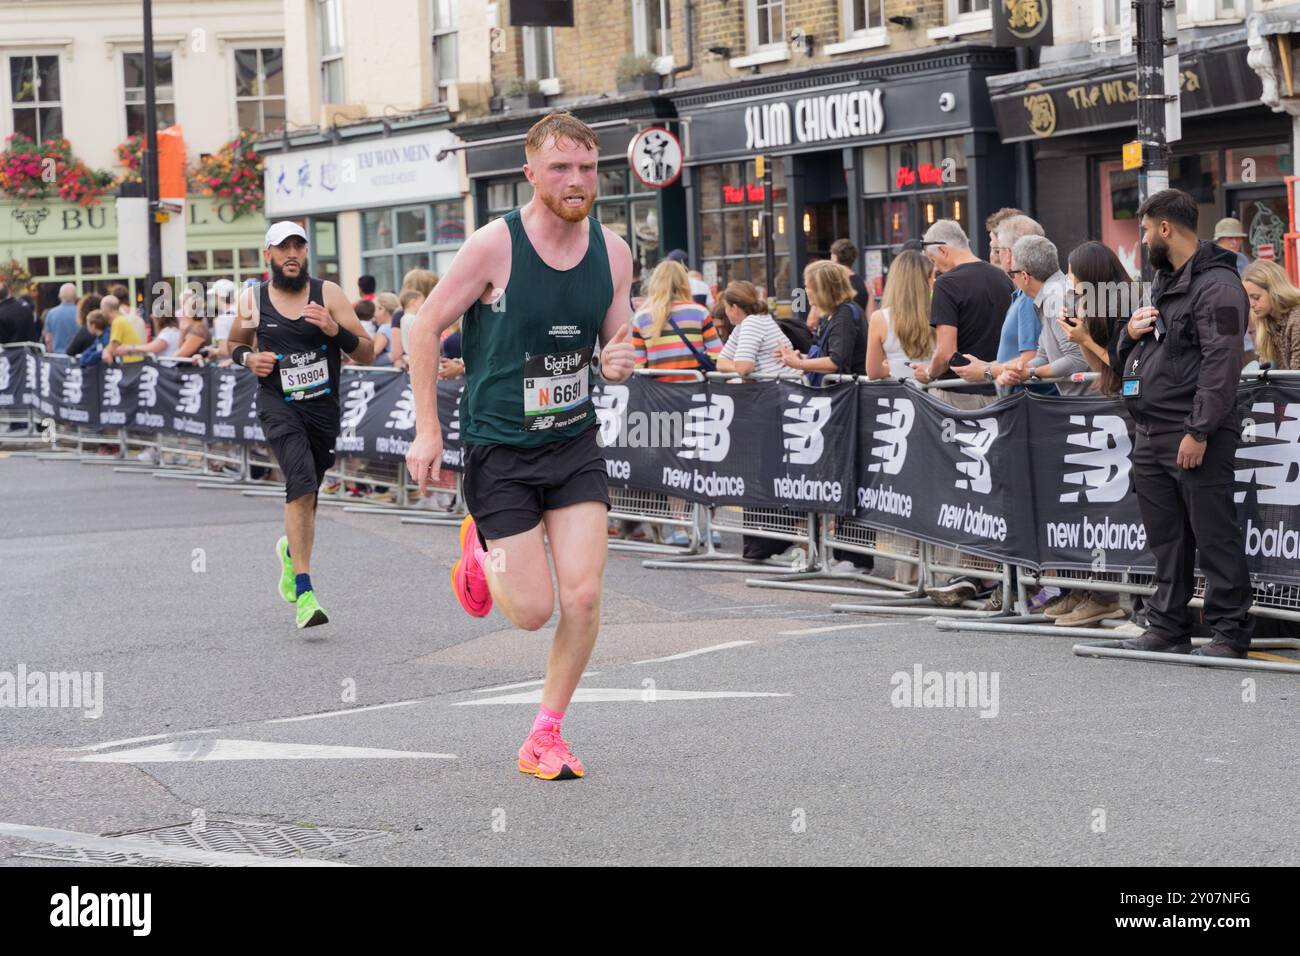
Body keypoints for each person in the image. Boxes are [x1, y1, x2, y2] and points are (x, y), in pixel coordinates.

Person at [404, 111, 637, 782]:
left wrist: (621, 360)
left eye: (588, 167)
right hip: (500, 450)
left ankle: (546, 733)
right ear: (530, 173)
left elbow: (616, 343)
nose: (577, 180)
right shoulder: (492, 248)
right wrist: (428, 428)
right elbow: (423, 329)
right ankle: (478, 552)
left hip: (572, 445)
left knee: (584, 596)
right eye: (561, 167)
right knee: (532, 612)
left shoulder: (614, 252)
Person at [1113, 188, 1253, 658]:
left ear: (1166, 227)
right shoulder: (1164, 281)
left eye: (1147, 228)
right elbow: (1142, 353)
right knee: (1167, 540)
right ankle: (1169, 625)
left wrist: (1199, 430)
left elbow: (1222, 364)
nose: (1145, 237)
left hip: (1194, 434)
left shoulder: (1218, 286)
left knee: (1214, 535)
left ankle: (1230, 633)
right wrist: (1126, 334)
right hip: (1152, 434)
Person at [227, 221, 374, 629]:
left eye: (298, 246)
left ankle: (291, 554)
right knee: (301, 481)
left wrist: (333, 330)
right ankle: (306, 592)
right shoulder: (253, 299)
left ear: (306, 253)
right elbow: (234, 343)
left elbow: (368, 353)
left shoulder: (328, 294)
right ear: (268, 255)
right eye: (283, 247)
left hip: (322, 410)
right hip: (279, 404)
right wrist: (247, 359)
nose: (291, 253)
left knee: (310, 490)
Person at [912, 219, 1013, 408]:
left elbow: (945, 353)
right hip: (999, 390)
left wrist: (928, 374)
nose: (936, 269)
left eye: (934, 261)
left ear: (943, 250)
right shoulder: (1003, 277)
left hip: (957, 393)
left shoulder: (946, 284)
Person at [995, 235, 1089, 396]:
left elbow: (1077, 359)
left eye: (1012, 274)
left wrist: (1031, 372)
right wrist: (1020, 370)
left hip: (1092, 404)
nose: (1013, 279)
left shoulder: (1057, 298)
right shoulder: (1052, 295)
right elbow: (1044, 355)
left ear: (1024, 276)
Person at [632, 259, 722, 381]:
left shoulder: (641, 317)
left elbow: (638, 364)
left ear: (655, 283)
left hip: (657, 393)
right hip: (694, 388)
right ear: (684, 282)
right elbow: (717, 353)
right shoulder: (699, 312)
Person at [778, 260, 866, 378]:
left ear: (822, 289)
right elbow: (829, 355)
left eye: (808, 286)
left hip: (848, 391)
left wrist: (799, 363)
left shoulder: (844, 315)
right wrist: (800, 358)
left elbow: (835, 362)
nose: (805, 290)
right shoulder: (834, 313)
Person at [866, 249, 934, 381]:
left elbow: (873, 372)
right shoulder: (941, 313)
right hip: (934, 396)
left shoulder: (879, 318)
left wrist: (890, 368)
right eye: (932, 277)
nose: (934, 282)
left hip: (898, 396)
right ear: (925, 281)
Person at [715, 280, 791, 377]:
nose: (726, 311)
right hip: (777, 386)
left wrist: (743, 368)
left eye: (726, 307)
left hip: (779, 387)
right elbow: (721, 363)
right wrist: (741, 368)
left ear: (734, 308)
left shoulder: (751, 323)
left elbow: (744, 369)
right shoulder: (749, 322)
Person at [1241, 259, 1300, 370]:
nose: (1251, 304)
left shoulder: (1297, 319)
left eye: (1256, 297)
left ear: (1275, 291)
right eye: (1248, 299)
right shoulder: (1266, 320)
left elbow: (1296, 375)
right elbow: (1265, 369)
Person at [101, 294, 144, 364]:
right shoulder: (121, 319)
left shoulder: (118, 322)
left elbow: (113, 346)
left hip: (131, 364)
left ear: (107, 309)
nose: (101, 312)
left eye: (102, 309)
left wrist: (106, 351)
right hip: (134, 362)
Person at [831, 238, 870, 312]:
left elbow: (813, 319)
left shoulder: (831, 283)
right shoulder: (865, 285)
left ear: (835, 258)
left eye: (831, 257)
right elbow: (870, 316)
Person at [43, 283, 79, 353]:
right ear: (76, 296)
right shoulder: (81, 313)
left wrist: (50, 355)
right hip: (77, 357)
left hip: (58, 356)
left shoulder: (51, 313)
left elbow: (48, 339)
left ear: (59, 296)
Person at [371, 291, 399, 366]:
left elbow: (371, 355)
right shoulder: (398, 326)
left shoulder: (384, 329)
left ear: (382, 309)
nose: (373, 314)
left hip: (383, 375)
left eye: (374, 309)